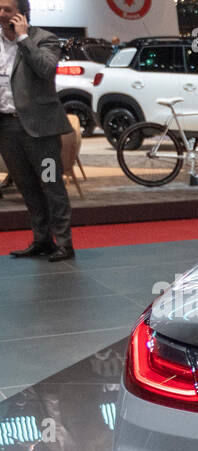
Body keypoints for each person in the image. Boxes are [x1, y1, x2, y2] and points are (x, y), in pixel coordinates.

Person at [0, 0, 74, 261]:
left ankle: (64, 243)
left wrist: (23, 38)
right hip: (7, 129)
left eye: (7, 10)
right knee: (27, 187)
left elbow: (46, 69)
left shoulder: (44, 39)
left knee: (51, 185)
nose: (1, 14)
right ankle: (42, 240)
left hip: (41, 131)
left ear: (22, 14)